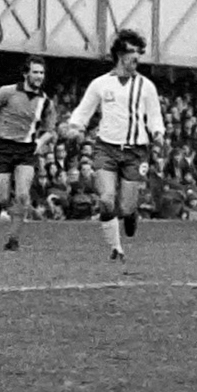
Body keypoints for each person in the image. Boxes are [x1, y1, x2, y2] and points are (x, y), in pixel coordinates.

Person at [59, 28, 166, 264]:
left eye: (139, 52)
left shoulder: (146, 86)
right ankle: (116, 248)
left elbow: (155, 115)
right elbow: (83, 111)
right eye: (131, 51)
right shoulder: (100, 84)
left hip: (136, 151)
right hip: (106, 148)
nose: (136, 57)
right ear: (119, 54)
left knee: (126, 207)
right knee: (106, 199)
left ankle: (131, 212)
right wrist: (75, 126)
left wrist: (158, 132)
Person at [0, 55, 55, 252]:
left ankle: (13, 239)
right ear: (25, 73)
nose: (39, 76)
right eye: (35, 72)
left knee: (22, 195)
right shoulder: (7, 92)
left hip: (26, 150)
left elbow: (49, 130)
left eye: (41, 73)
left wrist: (41, 141)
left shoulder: (45, 102)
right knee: (2, 197)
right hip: (3, 147)